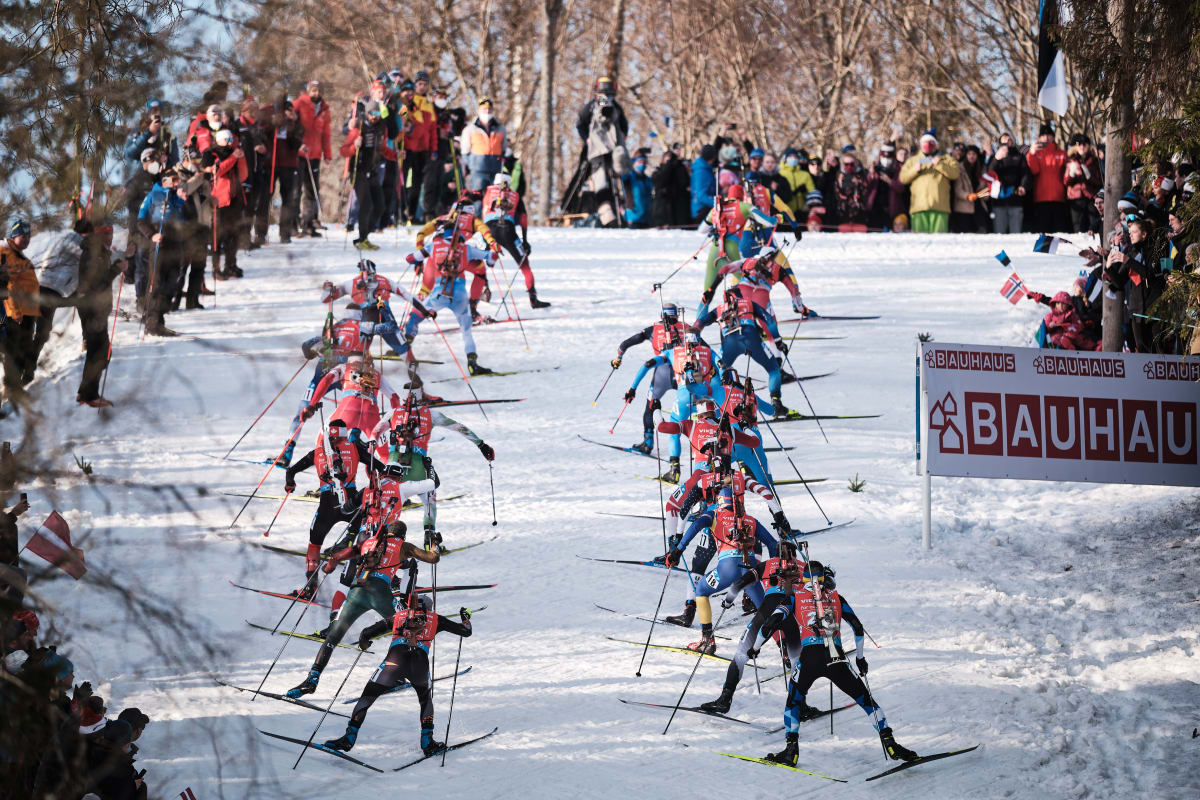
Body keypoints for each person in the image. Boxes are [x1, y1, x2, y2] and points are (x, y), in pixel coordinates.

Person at [756, 560, 918, 766]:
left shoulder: (794, 597)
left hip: (810, 658)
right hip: (837, 656)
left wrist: (756, 647)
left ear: (804, 578)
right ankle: (890, 743)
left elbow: (771, 622)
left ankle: (791, 750)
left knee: (794, 700)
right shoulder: (836, 597)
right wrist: (860, 658)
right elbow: (858, 628)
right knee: (866, 700)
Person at [284, 516, 438, 699]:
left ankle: (311, 679)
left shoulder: (370, 542)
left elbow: (337, 557)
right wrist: (435, 543)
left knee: (332, 638)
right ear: (402, 535)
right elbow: (433, 558)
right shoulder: (404, 546)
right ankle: (397, 676)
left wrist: (329, 568)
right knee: (406, 629)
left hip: (356, 593)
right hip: (381, 594)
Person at [323, 601, 473, 756]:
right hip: (419, 664)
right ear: (428, 609)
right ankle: (427, 742)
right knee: (425, 700)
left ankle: (349, 737)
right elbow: (466, 631)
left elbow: (366, 632)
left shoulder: (399, 616)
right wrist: (465, 617)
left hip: (393, 662)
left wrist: (364, 643)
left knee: (367, 697)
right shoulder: (435, 618)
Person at [611, 303, 687, 453]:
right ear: (677, 316)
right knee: (696, 405)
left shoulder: (652, 329)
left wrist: (618, 358)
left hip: (661, 375)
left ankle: (648, 442)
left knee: (650, 408)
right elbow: (704, 348)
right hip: (682, 373)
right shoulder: (686, 327)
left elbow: (625, 344)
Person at [73, 221, 125, 407]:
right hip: (92, 309)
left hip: (96, 309)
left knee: (101, 352)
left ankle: (85, 392)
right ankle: (89, 395)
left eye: (111, 234)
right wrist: (117, 269)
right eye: (106, 234)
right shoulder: (94, 253)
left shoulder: (100, 252)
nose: (109, 238)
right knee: (99, 353)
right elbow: (96, 283)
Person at [341, 86, 399, 251]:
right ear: (367, 113)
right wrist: (354, 145)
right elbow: (343, 150)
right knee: (366, 204)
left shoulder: (381, 127)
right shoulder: (358, 127)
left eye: (377, 114)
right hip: (358, 171)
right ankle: (361, 238)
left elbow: (382, 149)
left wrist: (396, 155)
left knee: (379, 206)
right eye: (372, 114)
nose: (375, 117)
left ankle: (364, 235)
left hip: (372, 170)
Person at [0, 220, 41, 397]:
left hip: (28, 311)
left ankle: (16, 387)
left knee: (23, 351)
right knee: (14, 352)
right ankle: (11, 389)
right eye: (22, 236)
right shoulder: (5, 254)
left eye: (28, 236)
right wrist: (15, 312)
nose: (26, 239)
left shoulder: (20, 256)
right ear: (13, 236)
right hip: (15, 313)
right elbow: (8, 286)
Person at [202, 128, 248, 281]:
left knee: (233, 234)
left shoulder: (233, 152)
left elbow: (243, 175)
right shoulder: (211, 154)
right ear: (219, 140)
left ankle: (231, 265)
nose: (229, 143)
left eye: (230, 140)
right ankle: (216, 269)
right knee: (218, 236)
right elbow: (218, 171)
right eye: (226, 140)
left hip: (234, 199)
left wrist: (240, 158)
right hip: (219, 200)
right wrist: (234, 158)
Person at [898, 129, 959, 233]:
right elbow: (903, 179)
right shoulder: (913, 161)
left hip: (940, 208)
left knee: (940, 243)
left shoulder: (946, 159)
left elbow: (955, 174)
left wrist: (939, 165)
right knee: (919, 243)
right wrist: (914, 170)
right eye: (925, 143)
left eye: (931, 143)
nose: (928, 146)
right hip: (919, 208)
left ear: (936, 144)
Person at [293, 80, 333, 238]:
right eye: (313, 90)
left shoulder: (324, 109)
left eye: (319, 91)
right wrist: (297, 144)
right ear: (308, 91)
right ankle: (292, 224)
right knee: (296, 190)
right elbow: (291, 126)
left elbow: (326, 134)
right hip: (300, 153)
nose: (316, 94)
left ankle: (308, 224)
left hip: (315, 154)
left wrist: (327, 155)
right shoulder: (299, 103)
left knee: (311, 191)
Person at [265, 98, 305, 243]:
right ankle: (261, 233)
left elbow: (297, 142)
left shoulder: (295, 125)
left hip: (289, 164)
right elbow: (264, 133)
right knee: (266, 197)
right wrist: (274, 124)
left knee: (288, 199)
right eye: (286, 111)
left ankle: (285, 233)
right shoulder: (273, 122)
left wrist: (292, 124)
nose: (288, 114)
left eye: (290, 111)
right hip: (272, 163)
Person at [1026, 122, 1069, 233]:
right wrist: (1031, 153)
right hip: (1041, 199)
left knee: (1059, 232)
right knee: (1042, 232)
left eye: (1049, 134)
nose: (1046, 137)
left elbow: (1067, 175)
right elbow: (1034, 170)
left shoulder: (1062, 153)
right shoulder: (1035, 153)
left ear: (1053, 137)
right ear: (1039, 137)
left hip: (1058, 198)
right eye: (1043, 135)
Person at [985, 133, 1030, 234]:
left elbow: (1025, 174)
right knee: (999, 233)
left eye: (1009, 140)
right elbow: (989, 174)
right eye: (1004, 140)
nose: (1007, 142)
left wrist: (1023, 186)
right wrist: (996, 159)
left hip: (1015, 199)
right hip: (999, 201)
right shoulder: (995, 157)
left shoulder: (1019, 157)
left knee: (1015, 233)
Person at [460, 98, 506, 194]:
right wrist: (473, 165)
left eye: (489, 109)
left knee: (494, 200)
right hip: (478, 171)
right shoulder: (470, 129)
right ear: (479, 111)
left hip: (496, 171)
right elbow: (465, 151)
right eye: (484, 109)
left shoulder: (500, 128)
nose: (487, 111)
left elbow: (504, 148)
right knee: (478, 199)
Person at [833, 146, 874, 233]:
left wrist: (858, 184)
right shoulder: (839, 175)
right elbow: (837, 194)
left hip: (859, 213)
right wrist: (840, 185)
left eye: (851, 164)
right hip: (843, 213)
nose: (849, 166)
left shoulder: (861, 174)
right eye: (846, 164)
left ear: (856, 163)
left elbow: (866, 193)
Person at [652, 148, 691, 227]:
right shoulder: (658, 172)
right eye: (668, 157)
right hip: (663, 212)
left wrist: (678, 165)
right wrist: (669, 165)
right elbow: (661, 181)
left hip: (679, 210)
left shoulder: (680, 169)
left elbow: (685, 183)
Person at [951, 145, 987, 233]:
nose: (971, 156)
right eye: (969, 154)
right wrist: (968, 196)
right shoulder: (960, 168)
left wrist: (984, 195)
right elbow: (958, 189)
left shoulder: (982, 169)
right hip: (963, 208)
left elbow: (985, 186)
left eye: (974, 154)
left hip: (979, 206)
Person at [868, 142, 903, 231]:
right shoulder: (875, 167)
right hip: (876, 209)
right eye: (884, 156)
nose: (886, 160)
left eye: (889, 157)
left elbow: (901, 188)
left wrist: (890, 181)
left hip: (892, 209)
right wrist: (871, 175)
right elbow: (868, 186)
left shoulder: (898, 168)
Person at [778, 148, 815, 220]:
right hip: (785, 211)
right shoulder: (779, 173)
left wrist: (807, 200)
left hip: (802, 211)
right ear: (786, 158)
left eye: (795, 156)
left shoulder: (805, 174)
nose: (793, 158)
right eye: (790, 156)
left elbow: (812, 192)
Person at [622, 154, 654, 228]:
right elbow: (622, 171)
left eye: (644, 163)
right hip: (633, 217)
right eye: (640, 162)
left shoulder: (648, 179)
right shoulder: (629, 177)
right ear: (634, 163)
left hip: (647, 217)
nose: (642, 164)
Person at [691, 144, 719, 222]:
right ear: (712, 157)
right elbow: (701, 195)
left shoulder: (706, 169)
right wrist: (718, 204)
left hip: (706, 209)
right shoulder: (701, 171)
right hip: (701, 211)